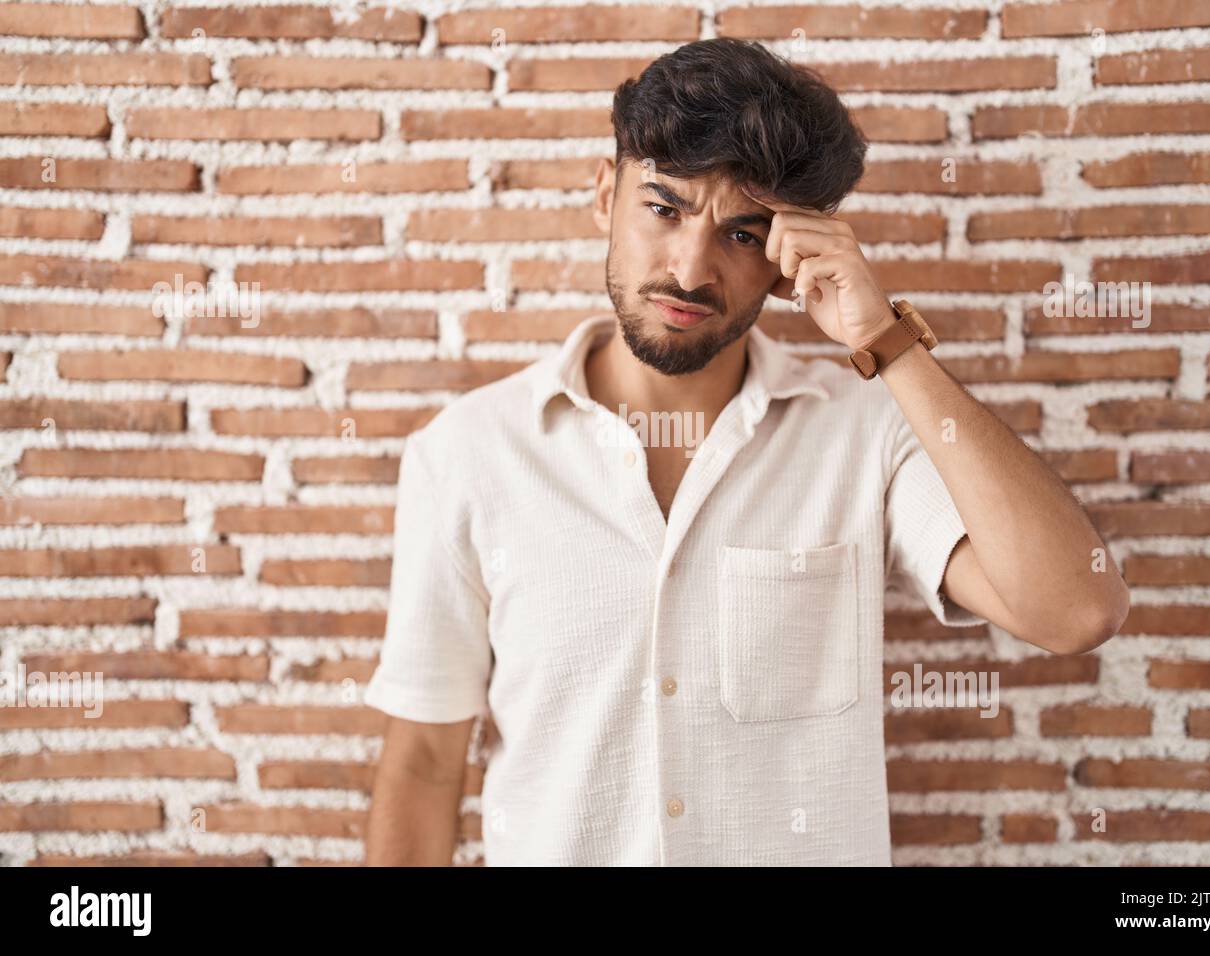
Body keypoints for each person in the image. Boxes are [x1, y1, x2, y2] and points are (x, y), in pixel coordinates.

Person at [363, 37, 1129, 866]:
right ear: (602, 196)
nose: (691, 270)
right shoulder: (469, 454)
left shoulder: (861, 431)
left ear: (791, 252)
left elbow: (1076, 611)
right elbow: (425, 765)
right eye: (663, 208)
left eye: (742, 232)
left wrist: (887, 342)